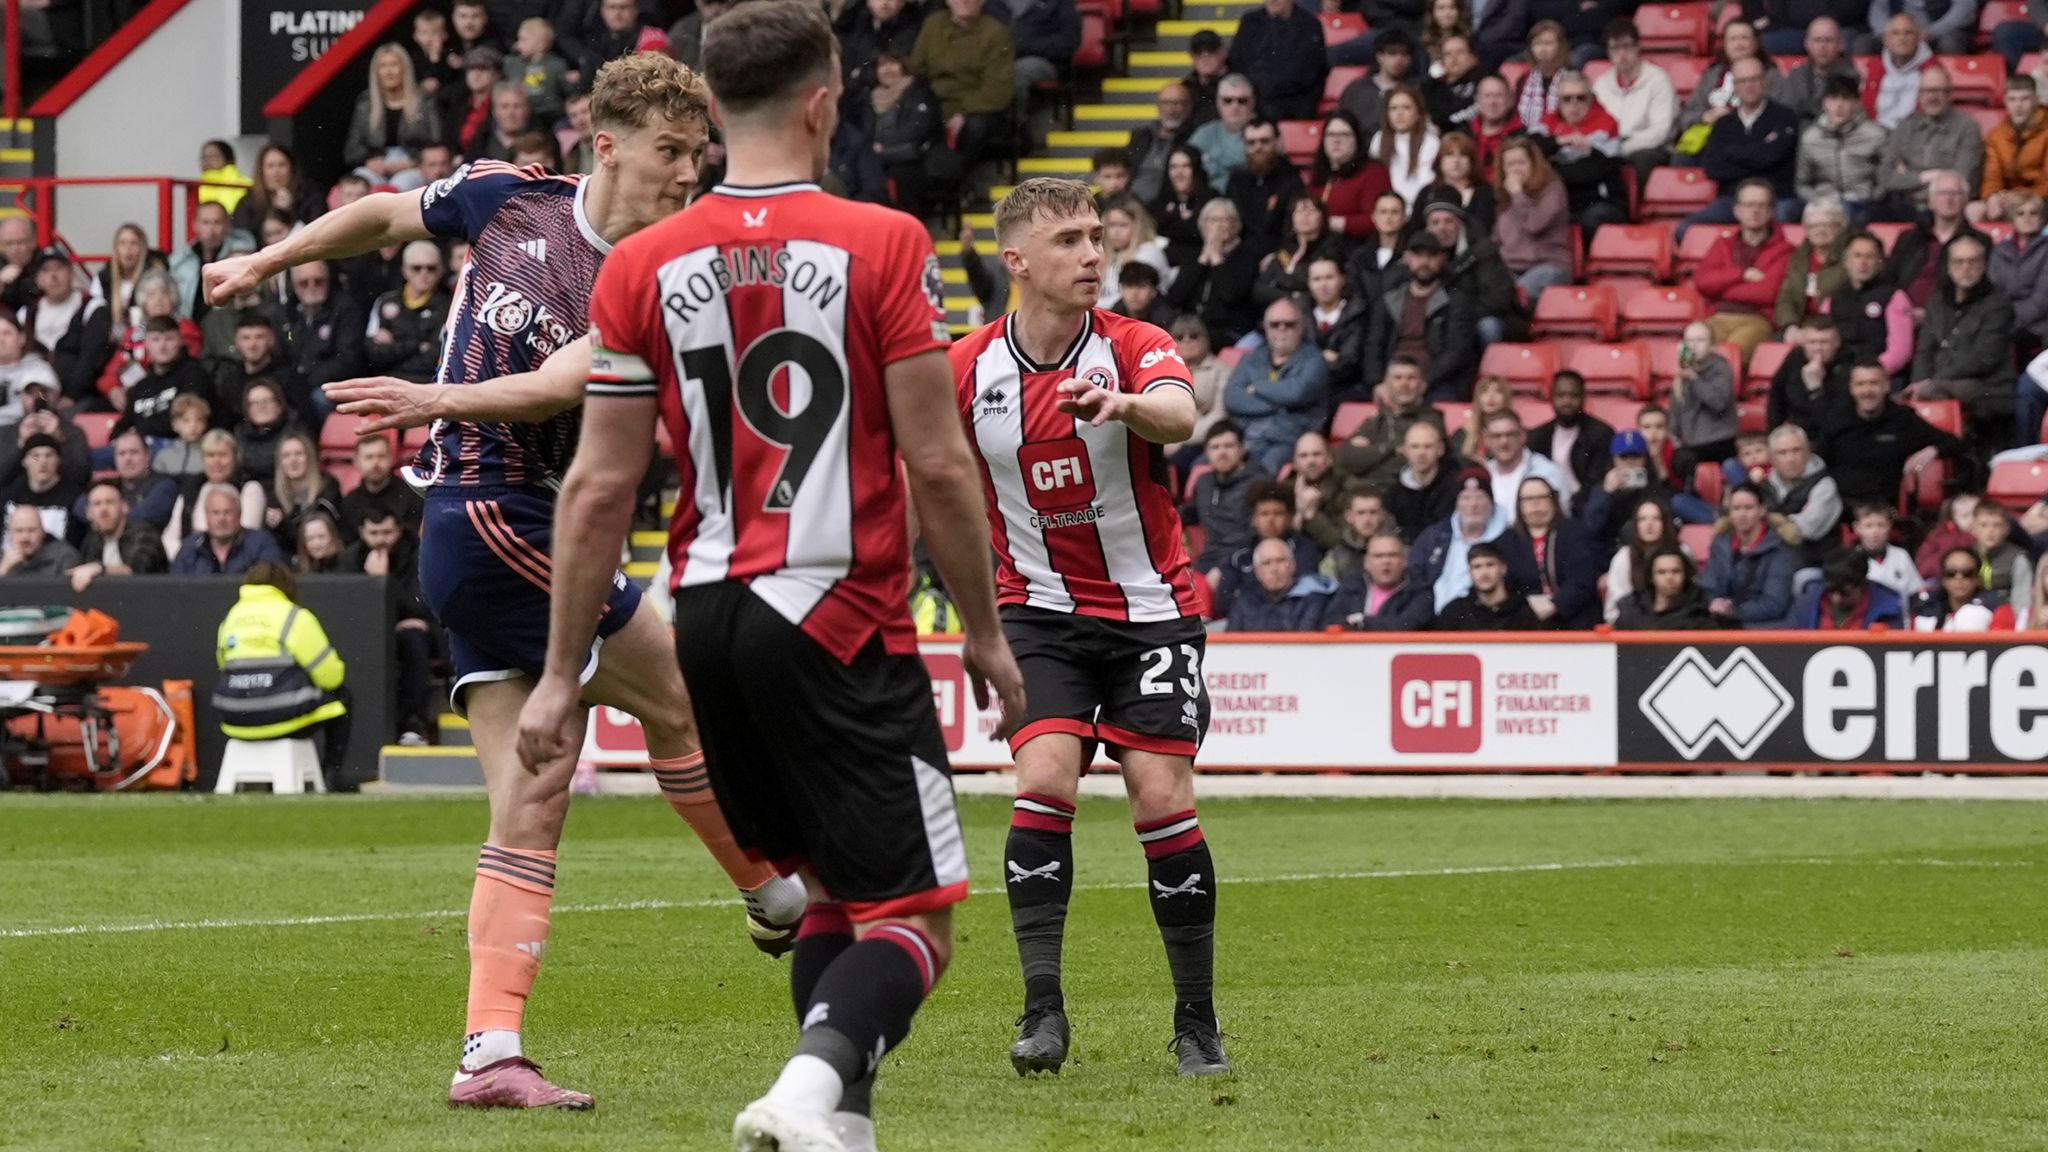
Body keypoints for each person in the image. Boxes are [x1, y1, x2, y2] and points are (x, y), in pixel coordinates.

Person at [222, 54, 811, 1111]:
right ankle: (776, 894)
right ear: (608, 145)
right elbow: (385, 214)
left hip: (500, 518)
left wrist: (432, 395)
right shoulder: (509, 197)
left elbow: (554, 386)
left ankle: (490, 1050)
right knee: (677, 696)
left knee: (532, 796)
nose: (688, 176)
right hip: (497, 518)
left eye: (698, 155)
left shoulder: (671, 268)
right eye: (671, 153)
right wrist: (266, 260)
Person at [471, 14, 1020, 1148]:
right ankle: (811, 1086)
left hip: (709, 616)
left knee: (826, 893)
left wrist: (560, 672)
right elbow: (936, 461)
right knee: (919, 919)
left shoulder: (639, 266)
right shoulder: (880, 241)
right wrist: (984, 629)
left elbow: (596, 489)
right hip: (836, 608)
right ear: (824, 101)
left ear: (711, 111)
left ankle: (843, 1127)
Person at [212, 563, 352, 786]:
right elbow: (331, 677)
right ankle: (332, 776)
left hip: (235, 719)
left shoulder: (230, 619)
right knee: (343, 697)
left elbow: (223, 666)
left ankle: (266, 785)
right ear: (288, 587)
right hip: (282, 719)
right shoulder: (294, 617)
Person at [1821, 360, 1969, 514]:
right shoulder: (1835, 418)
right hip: (1840, 507)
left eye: (1874, 383)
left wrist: (1932, 450)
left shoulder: (1902, 418)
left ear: (1886, 386)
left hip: (1884, 509)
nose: (1867, 390)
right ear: (1851, 388)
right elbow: (1819, 460)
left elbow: (1956, 442)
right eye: (1861, 384)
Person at [1908, 233, 2016, 424]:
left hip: (1986, 385)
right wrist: (1919, 381)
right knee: (1894, 399)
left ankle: (1953, 447)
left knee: (1933, 392)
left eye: (1972, 262)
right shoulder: (1936, 302)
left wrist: (1933, 381)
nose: (1966, 268)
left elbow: (1984, 358)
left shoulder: (1998, 304)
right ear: (1949, 267)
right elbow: (1925, 349)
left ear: (1983, 265)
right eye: (1959, 262)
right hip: (1939, 382)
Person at [1361, 231, 1477, 401]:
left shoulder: (1456, 300)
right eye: (1418, 255)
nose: (1424, 262)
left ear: (1443, 259)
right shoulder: (1389, 299)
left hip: (1435, 381)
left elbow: (1456, 352)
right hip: (1392, 379)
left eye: (1431, 256)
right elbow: (1374, 345)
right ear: (1407, 258)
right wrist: (1377, 382)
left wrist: (1423, 381)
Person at [1692, 57, 1803, 234]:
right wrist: (1759, 157)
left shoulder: (1785, 117)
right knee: (1688, 230)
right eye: (1742, 81)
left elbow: (1774, 157)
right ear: (1734, 86)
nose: (1749, 85)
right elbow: (1712, 167)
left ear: (1765, 81)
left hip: (1776, 200)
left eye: (1754, 79)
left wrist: (1733, 154)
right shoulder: (1724, 123)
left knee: (1785, 218)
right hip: (1732, 201)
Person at [911, 0, 1014, 178]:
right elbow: (916, 69)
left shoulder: (995, 32)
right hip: (933, 102)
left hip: (975, 106)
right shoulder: (933, 24)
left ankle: (959, 184)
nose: (964, 2)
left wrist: (963, 113)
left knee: (975, 128)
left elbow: (997, 88)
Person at [1410, 465, 1533, 608]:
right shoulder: (1435, 536)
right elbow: (1417, 576)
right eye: (1466, 498)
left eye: (1480, 497)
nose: (1473, 505)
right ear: (1457, 503)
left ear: (1491, 502)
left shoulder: (1510, 540)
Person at [1696, 179, 1794, 357]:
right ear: (1737, 210)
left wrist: (1720, 289)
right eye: (1748, 205)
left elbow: (1767, 293)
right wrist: (1742, 274)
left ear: (1771, 211)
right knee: (1691, 348)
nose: (1754, 211)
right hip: (1717, 317)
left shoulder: (1786, 251)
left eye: (1761, 205)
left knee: (1729, 354)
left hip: (1756, 320)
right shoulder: (1723, 244)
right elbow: (1703, 282)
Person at [1875, 68, 1983, 221]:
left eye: (1938, 91)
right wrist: (1925, 177)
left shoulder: (1967, 128)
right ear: (1919, 95)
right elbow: (1884, 177)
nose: (1932, 97)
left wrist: (1906, 182)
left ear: (1950, 94)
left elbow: (1960, 181)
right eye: (1926, 91)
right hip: (1904, 205)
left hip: (1944, 209)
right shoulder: (1905, 126)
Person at [1533, 69, 1628, 237]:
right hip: (1556, 200)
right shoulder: (1546, 123)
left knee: (1586, 219)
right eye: (1567, 99)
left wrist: (1548, 167)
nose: (1574, 104)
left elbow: (1591, 171)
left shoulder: (1606, 125)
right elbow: (1528, 150)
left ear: (1591, 99)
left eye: (1581, 98)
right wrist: (1558, 142)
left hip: (1596, 201)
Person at [20, 250, 113, 411]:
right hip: (35, 396)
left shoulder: (93, 307)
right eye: (46, 270)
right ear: (38, 279)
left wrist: (71, 396)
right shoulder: (26, 314)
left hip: (77, 397)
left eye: (59, 268)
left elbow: (91, 358)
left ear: (71, 274)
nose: (53, 276)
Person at [1336, 356, 1446, 490]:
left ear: (1422, 385)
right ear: (1386, 385)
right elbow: (1347, 457)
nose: (1404, 384)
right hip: (1368, 493)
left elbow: (1404, 466)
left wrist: (1371, 452)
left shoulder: (1432, 420)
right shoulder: (1377, 420)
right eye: (1398, 378)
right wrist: (1392, 449)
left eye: (1411, 378)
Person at [1884, 170, 1988, 310]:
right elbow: (1889, 279)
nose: (1949, 199)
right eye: (1942, 193)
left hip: (1949, 317)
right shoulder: (1909, 238)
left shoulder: (1979, 241)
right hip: (1902, 314)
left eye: (1956, 193)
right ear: (1931, 202)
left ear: (1965, 201)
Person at [1163, 198, 1262, 345]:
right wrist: (1203, 259)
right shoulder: (1194, 256)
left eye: (1225, 220)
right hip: (1190, 329)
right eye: (1213, 220)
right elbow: (1175, 297)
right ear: (1203, 226)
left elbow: (1230, 295)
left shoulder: (1247, 256)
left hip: (1228, 330)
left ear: (1235, 225)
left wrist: (1216, 257)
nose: (1218, 226)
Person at [1700, 481, 1798, 627]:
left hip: (1765, 627)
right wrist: (1714, 603)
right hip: (1722, 622)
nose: (1742, 514)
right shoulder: (1720, 545)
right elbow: (1709, 587)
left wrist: (1734, 610)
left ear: (1762, 510)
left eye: (1748, 508)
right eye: (1736, 508)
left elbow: (1775, 603)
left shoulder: (1779, 550)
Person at [1592, 18, 1677, 185]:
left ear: (1638, 47)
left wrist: (1622, 148)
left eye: (1627, 46)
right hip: (1611, 144)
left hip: (1651, 147)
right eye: (1615, 48)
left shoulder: (1658, 79)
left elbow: (1661, 131)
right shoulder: (1602, 83)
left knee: (1641, 160)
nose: (1622, 54)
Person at [1490, 137, 1572, 303]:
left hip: (1547, 266)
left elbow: (1534, 225)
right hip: (1510, 268)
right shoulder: (1503, 197)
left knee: (1512, 299)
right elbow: (1497, 239)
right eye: (1510, 165)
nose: (1515, 169)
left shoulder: (1552, 189)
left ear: (1533, 164)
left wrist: (1518, 194)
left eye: (1521, 163)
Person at [1511, 475, 1598, 627]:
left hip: (1573, 621)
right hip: (1527, 622)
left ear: (1553, 500)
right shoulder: (1507, 541)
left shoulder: (1575, 532)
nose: (1535, 504)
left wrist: (1555, 604)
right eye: (1528, 499)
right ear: (1519, 505)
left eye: (1542, 497)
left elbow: (1582, 580)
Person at [1799, 79, 1888, 224]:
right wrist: (1818, 200)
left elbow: (1885, 177)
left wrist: (1872, 196)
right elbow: (1802, 183)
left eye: (1846, 98)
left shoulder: (1875, 134)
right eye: (1833, 99)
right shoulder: (1810, 138)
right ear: (1824, 103)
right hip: (1822, 200)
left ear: (1857, 103)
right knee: (1785, 210)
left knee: (1849, 212)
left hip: (1863, 201)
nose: (1839, 105)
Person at [1183, 420, 1266, 573]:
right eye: (1215, 447)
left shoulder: (1260, 483)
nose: (1222, 453)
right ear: (1207, 453)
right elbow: (1188, 513)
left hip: (1245, 560)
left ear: (1242, 449)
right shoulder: (1204, 483)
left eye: (1229, 446)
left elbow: (1261, 535)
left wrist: (1224, 567)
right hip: (1208, 559)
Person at [1831, 231, 1916, 376]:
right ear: (1846, 262)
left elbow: (1900, 351)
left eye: (1869, 256)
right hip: (1840, 373)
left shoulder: (1895, 297)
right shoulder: (1834, 298)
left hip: (1879, 377)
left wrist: (1871, 374)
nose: (1863, 262)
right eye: (1857, 256)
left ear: (1880, 263)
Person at [1226, 0, 1328, 122]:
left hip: (1295, 110)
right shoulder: (1249, 22)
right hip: (1253, 107)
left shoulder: (1310, 25)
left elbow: (1309, 74)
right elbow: (1236, 64)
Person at [364, 241, 450, 386]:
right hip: (385, 382)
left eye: (431, 268)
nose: (424, 274)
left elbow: (434, 358)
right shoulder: (385, 301)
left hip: (427, 384)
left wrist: (394, 346)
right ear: (404, 270)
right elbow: (373, 353)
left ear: (441, 271)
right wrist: (417, 346)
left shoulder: (449, 306)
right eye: (417, 268)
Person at [1763, 423, 1845, 570]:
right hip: (1770, 561)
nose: (1791, 459)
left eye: (1796, 450)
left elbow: (1807, 529)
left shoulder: (1825, 485)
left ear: (1808, 452)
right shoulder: (1763, 485)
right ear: (1772, 458)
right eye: (1783, 453)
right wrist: (1793, 519)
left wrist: (1768, 520)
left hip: (1813, 563)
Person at [68, 478, 168, 590]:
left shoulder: (144, 532)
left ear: (124, 507)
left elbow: (136, 571)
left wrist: (100, 569)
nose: (103, 509)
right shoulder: (91, 541)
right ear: (88, 513)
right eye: (97, 504)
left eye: (110, 502)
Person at [171, 483, 290, 575]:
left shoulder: (261, 544)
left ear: (239, 514)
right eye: (215, 513)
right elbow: (175, 590)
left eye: (227, 512)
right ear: (206, 517)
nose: (221, 519)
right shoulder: (190, 548)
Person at [1224, 121, 1304, 258]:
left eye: (1264, 141)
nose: (1258, 147)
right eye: (1251, 143)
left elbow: (1292, 228)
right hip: (1242, 251)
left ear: (1277, 143)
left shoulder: (1291, 178)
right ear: (1244, 146)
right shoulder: (1236, 180)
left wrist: (1278, 255)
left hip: (1279, 251)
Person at [1323, 530, 1433, 628]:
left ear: (1404, 560)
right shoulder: (1352, 585)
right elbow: (1329, 622)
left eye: (1392, 555)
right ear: (1366, 562)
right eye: (1378, 556)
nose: (1385, 561)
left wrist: (1363, 622)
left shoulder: (1420, 590)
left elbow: (1408, 624)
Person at [1767, 317, 1852, 441]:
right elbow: (1776, 396)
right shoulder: (1795, 357)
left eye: (1824, 342)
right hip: (1797, 434)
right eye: (1812, 342)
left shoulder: (1850, 363)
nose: (1818, 348)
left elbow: (1834, 419)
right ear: (1803, 343)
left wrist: (1815, 388)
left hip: (1835, 437)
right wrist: (1774, 435)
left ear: (1837, 343)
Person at [1227, 536, 1337, 631]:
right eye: (1266, 563)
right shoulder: (1243, 603)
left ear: (1293, 565)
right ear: (1257, 571)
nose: (1274, 569)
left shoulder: (1313, 598)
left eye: (1280, 561)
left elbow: (1303, 642)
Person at [1777, 200, 1851, 340]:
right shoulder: (1798, 258)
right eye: (1813, 226)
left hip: (1836, 329)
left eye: (1827, 225)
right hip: (1802, 326)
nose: (1820, 231)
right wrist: (1790, 326)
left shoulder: (1850, 257)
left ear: (1841, 227)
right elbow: (1786, 297)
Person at [1529, 371, 1612, 496]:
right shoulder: (1537, 436)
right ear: (1551, 397)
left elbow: (1595, 485)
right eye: (1561, 395)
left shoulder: (1601, 434)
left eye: (1574, 395)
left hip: (1583, 507)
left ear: (1584, 398)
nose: (1567, 401)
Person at [1978, 76, 2048, 222]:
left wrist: (2018, 196)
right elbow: (1992, 177)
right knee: (1975, 211)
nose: (2018, 106)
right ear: (2005, 101)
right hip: (2009, 200)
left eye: (2024, 99)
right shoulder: (1996, 136)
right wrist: (1992, 197)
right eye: (2012, 99)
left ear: (2036, 100)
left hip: (2041, 199)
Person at [1432, 539, 1542, 628]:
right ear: (1470, 572)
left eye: (1490, 565)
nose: (1484, 573)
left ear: (1503, 568)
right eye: (1477, 567)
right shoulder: (1455, 612)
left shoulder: (1523, 611)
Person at [1337, 28, 1421, 144]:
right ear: (1379, 56)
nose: (1399, 59)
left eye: (1404, 54)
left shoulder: (1416, 90)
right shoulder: (1356, 88)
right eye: (1392, 53)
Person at [1480, 408, 1571, 513]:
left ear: (1522, 436)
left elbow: (1561, 516)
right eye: (1496, 436)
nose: (1504, 442)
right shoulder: (1483, 475)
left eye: (1510, 434)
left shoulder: (1548, 473)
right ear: (1486, 440)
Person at [1773, 17, 1862, 124]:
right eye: (1817, 40)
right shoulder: (1797, 74)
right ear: (1806, 44)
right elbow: (1786, 110)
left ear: (1841, 45)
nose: (1822, 46)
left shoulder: (1849, 76)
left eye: (1829, 40)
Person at [1613, 542, 1720, 629]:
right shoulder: (1631, 611)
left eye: (1675, 571)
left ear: (1685, 575)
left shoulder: (1699, 615)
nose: (1669, 577)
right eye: (1662, 572)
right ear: (1651, 577)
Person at [1384, 419, 1459, 539]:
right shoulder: (1394, 491)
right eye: (1415, 447)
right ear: (1405, 450)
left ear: (1440, 449)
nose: (1421, 453)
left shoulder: (1455, 486)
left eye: (1428, 446)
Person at [1305, 257, 1369, 396]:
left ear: (1342, 279)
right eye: (1317, 279)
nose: (1323, 284)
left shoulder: (1357, 313)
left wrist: (1308, 360)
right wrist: (1324, 357)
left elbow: (1349, 363)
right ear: (1309, 283)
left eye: (1329, 277)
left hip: (1343, 390)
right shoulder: (1298, 314)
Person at [0, 432, 81, 541]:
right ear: (24, 461)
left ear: (58, 460)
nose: (43, 462)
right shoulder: (9, 496)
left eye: (49, 455)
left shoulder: (73, 497)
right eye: (35, 456)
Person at [1912, 546, 2016, 630]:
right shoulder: (1925, 608)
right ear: (1943, 579)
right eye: (1951, 573)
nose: (1959, 578)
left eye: (1967, 573)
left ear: (1978, 579)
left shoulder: (1996, 606)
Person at [1371, 86, 1442, 209]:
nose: (1399, 114)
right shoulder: (1378, 139)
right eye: (1393, 108)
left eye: (1406, 107)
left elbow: (1427, 182)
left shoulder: (1431, 142)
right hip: (1388, 209)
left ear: (1418, 112)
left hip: (1419, 207)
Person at [338, 434, 424, 535]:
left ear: (392, 458)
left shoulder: (411, 495)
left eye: (381, 456)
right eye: (369, 457)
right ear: (356, 462)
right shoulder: (350, 502)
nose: (375, 463)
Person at [1127, 84, 1197, 205]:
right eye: (1166, 103)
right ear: (1158, 106)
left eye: (1178, 103)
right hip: (1132, 204)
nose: (1171, 109)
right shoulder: (1141, 136)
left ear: (1189, 106)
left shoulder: (1194, 137)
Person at [1415, 134, 1498, 235]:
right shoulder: (1426, 192)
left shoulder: (1484, 191)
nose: (1456, 161)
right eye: (1450, 155)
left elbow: (1486, 227)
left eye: (1463, 155)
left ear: (1471, 161)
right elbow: (1415, 230)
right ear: (1440, 161)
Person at [1839, 499, 1921, 600]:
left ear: (1890, 526)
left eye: (1881, 525)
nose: (1875, 531)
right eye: (1868, 526)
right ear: (1857, 528)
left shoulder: (1901, 556)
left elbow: (1916, 591)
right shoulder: (1850, 560)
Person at [1189, 75, 1256, 188]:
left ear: (1252, 103)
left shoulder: (1262, 132)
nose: (1235, 106)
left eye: (1242, 101)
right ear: (1218, 103)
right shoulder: (1204, 134)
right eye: (1227, 100)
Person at [1972, 497, 2036, 599]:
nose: (1990, 530)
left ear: (2006, 529)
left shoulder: (2018, 559)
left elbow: (2022, 598)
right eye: (1984, 525)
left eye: (1997, 525)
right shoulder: (1966, 556)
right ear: (1973, 528)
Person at [1864, 0, 1976, 59]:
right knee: (1865, 44)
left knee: (1950, 43)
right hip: (1900, 32)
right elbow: (1877, 10)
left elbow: (1964, 9)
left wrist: (1932, 32)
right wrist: (1888, 33)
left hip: (1940, 33)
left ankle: (1946, 89)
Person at [0, 503, 78, 577]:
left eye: (31, 530)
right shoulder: (3, 559)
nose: (25, 537)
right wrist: (3, 569)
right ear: (10, 534)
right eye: (19, 531)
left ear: (43, 532)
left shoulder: (64, 557)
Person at [1181, 29, 1231, 124]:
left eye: (1211, 50)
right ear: (1191, 56)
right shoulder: (1186, 89)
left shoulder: (1238, 86)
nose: (1205, 56)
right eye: (1198, 52)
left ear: (1223, 52)